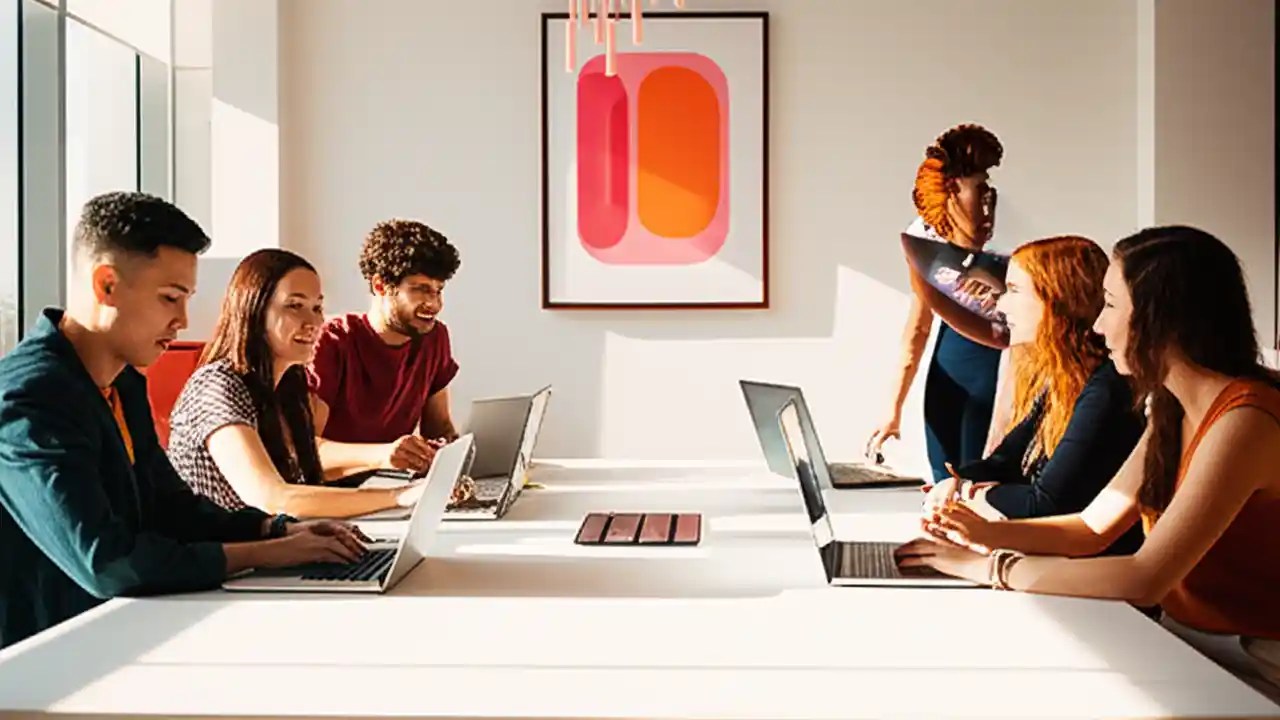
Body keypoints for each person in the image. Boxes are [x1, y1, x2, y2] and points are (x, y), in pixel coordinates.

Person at [897, 226, 1280, 700]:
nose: (1098, 325)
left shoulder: (1244, 419)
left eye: (1112, 306)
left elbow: (1143, 578)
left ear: (1161, 317)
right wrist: (981, 536)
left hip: (1253, 664)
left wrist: (990, 568)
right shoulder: (1173, 406)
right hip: (1189, 641)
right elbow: (1091, 528)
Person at [0, 192, 366, 649]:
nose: (183, 320)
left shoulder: (124, 382)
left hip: (129, 628)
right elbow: (108, 562)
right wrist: (268, 554)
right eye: (170, 298)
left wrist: (277, 528)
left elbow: (170, 506)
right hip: (45, 661)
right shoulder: (30, 396)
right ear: (106, 285)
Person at [922, 236, 1145, 555]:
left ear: (1058, 299)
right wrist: (955, 482)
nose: (1000, 304)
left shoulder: (1108, 389)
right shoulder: (1065, 378)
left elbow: (1045, 504)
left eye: (1013, 290)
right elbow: (1006, 461)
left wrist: (973, 493)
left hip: (1096, 582)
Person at [167, 249, 426, 519]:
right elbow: (271, 497)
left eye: (317, 308)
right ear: (254, 310)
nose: (314, 321)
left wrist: (404, 475)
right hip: (231, 557)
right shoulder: (217, 385)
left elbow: (309, 464)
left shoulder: (288, 384)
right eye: (295, 306)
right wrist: (400, 497)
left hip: (276, 548)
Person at [866, 124, 1008, 483]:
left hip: (992, 387)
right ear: (952, 191)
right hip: (950, 389)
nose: (989, 201)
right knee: (946, 491)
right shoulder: (926, 255)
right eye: (980, 189)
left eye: (990, 189)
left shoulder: (1007, 266)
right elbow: (917, 331)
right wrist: (892, 412)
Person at [307, 219, 462, 479]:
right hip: (333, 499)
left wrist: (458, 454)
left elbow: (439, 429)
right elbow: (307, 453)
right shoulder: (331, 342)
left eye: (438, 290)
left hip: (393, 490)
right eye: (421, 289)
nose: (434, 303)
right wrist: (383, 455)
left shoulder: (434, 337)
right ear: (380, 286)